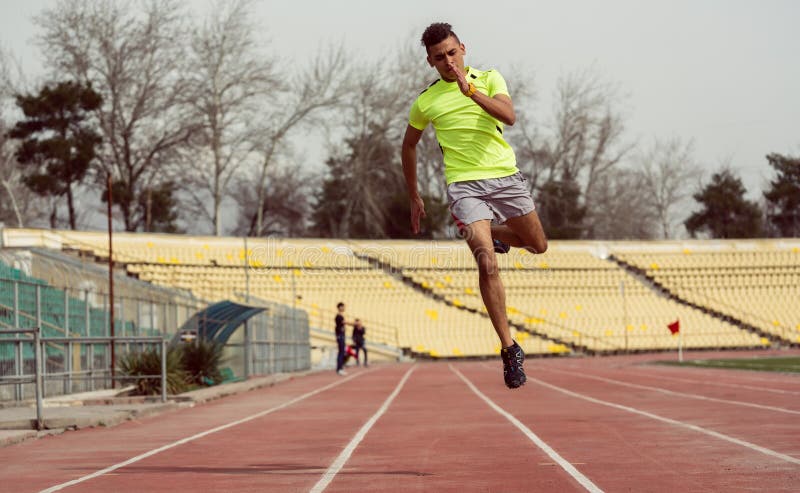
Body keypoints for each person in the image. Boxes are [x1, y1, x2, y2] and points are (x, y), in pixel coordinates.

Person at [401, 22, 548, 389]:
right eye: (440, 58)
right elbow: (409, 144)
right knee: (486, 260)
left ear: (463, 48)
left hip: (506, 177)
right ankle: (509, 348)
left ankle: (487, 232)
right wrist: (414, 195)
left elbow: (509, 116)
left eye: (452, 53)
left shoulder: (490, 78)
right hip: (464, 185)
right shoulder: (426, 101)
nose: (448, 62)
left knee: (537, 245)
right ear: (430, 62)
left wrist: (471, 93)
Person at [334, 302, 354, 375]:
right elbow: (345, 322)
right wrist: (353, 324)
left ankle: (340, 368)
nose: (344, 308)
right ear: (340, 307)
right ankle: (339, 368)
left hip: (341, 335)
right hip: (340, 336)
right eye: (343, 307)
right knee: (341, 352)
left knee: (342, 352)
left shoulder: (340, 316)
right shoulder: (338, 316)